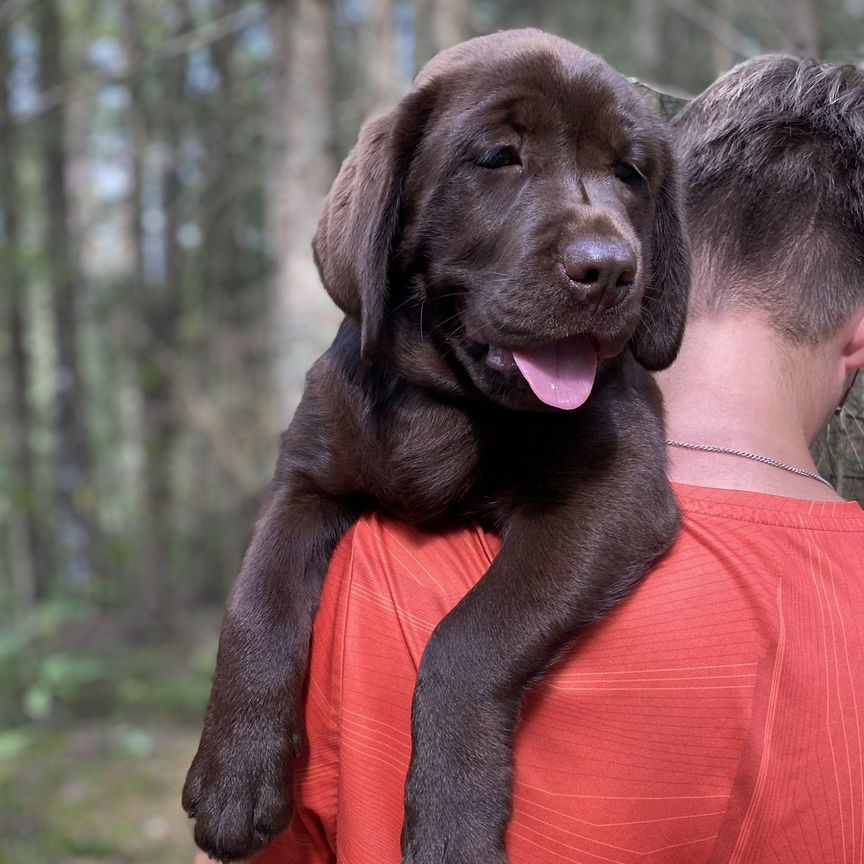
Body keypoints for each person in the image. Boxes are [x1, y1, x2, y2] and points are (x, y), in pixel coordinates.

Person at [196, 54, 864, 864]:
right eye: (502, 158)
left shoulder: (374, 574)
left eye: (624, 176)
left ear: (667, 253)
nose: (600, 239)